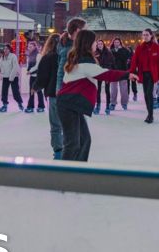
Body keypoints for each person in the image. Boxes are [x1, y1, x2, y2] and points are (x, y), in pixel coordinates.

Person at [57, 30, 137, 161]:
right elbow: (106, 74)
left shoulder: (79, 60)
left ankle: (79, 169)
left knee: (84, 141)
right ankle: (65, 172)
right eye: (94, 41)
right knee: (73, 144)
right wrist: (127, 74)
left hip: (70, 104)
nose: (96, 43)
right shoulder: (84, 63)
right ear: (88, 43)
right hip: (68, 105)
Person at [49, 18, 87, 158]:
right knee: (74, 137)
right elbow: (61, 73)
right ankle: (66, 162)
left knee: (80, 137)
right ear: (77, 30)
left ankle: (70, 162)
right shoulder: (69, 49)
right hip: (66, 96)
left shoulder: (70, 46)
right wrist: (60, 93)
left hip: (71, 95)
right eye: (85, 30)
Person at [129, 29, 159, 124]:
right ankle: (149, 113)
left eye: (147, 35)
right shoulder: (140, 48)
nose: (145, 36)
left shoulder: (156, 47)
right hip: (143, 74)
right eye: (144, 35)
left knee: (149, 93)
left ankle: (150, 115)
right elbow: (134, 61)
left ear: (151, 36)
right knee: (146, 95)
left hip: (152, 74)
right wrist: (132, 72)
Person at [35, 34, 62, 156]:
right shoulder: (67, 56)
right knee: (67, 124)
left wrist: (36, 86)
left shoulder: (47, 57)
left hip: (53, 94)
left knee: (55, 124)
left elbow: (42, 76)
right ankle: (68, 148)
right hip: (67, 93)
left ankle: (58, 150)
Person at [0, 45, 24, 112]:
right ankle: (4, 105)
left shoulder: (13, 56)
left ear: (10, 50)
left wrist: (11, 77)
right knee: (4, 92)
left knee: (15, 92)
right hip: (5, 77)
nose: (5, 50)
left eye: (7, 49)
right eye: (4, 49)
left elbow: (15, 67)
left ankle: (19, 103)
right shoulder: (2, 58)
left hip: (14, 77)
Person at [109, 37, 130, 111]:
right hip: (113, 71)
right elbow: (110, 60)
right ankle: (113, 103)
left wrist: (120, 50)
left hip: (122, 71)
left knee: (124, 89)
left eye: (118, 42)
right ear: (113, 43)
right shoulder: (110, 51)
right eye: (115, 42)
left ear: (120, 43)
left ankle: (124, 103)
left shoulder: (124, 50)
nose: (116, 43)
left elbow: (126, 58)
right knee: (113, 89)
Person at [24, 40, 42, 113]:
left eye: (31, 47)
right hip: (32, 76)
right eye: (28, 47)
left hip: (38, 76)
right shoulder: (30, 55)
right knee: (31, 91)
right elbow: (28, 65)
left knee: (38, 91)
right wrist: (28, 70)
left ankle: (41, 106)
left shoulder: (38, 55)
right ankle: (30, 107)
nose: (29, 48)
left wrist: (30, 71)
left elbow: (37, 66)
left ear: (35, 47)